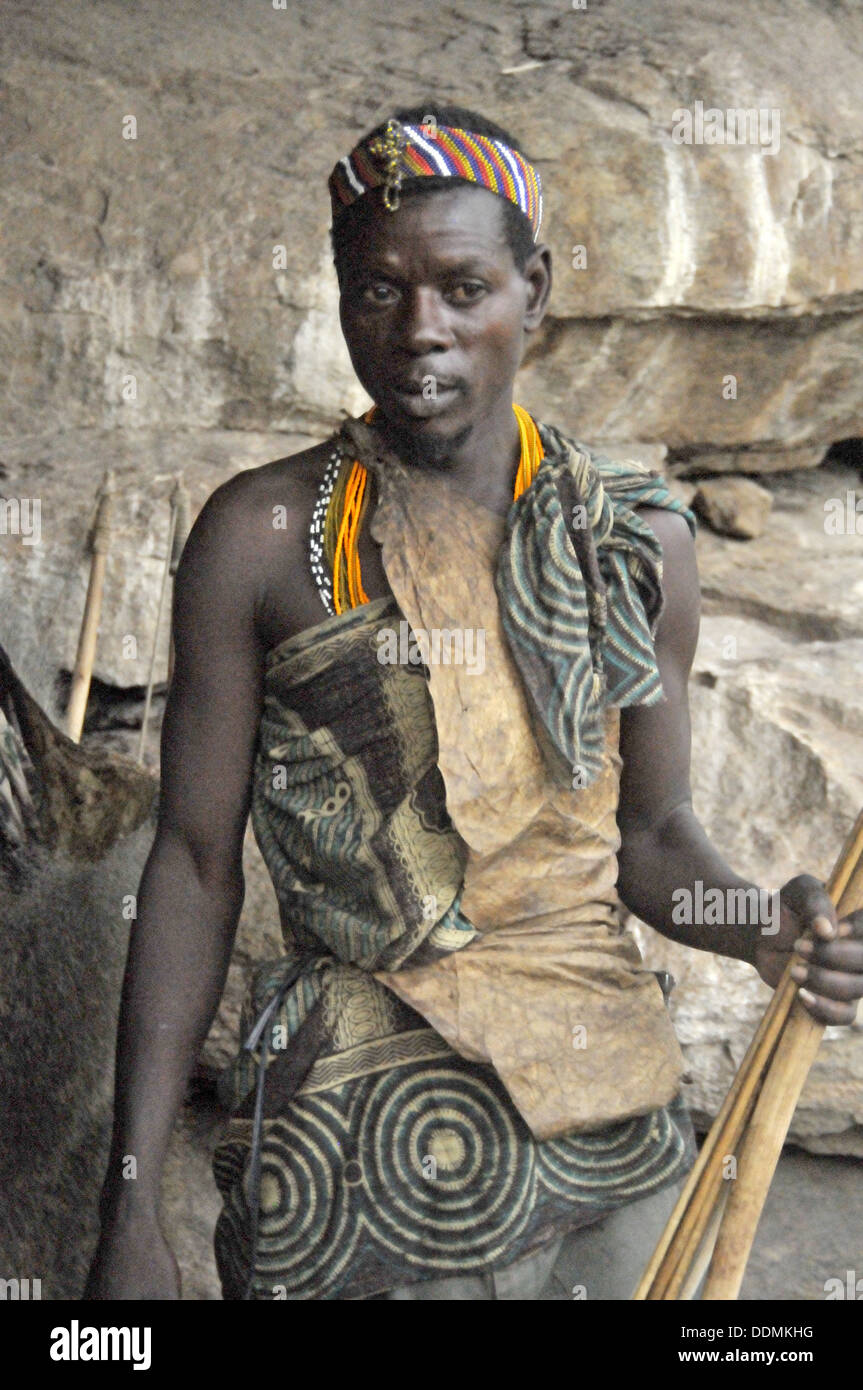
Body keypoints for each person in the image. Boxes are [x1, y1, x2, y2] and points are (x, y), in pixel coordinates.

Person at [86, 103, 863, 1301]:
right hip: (353, 1158)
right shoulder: (259, 540)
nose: (420, 331)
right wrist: (132, 1204)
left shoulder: (632, 539)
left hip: (606, 1127)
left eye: (462, 288)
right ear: (341, 300)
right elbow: (192, 867)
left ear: (531, 290)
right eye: (378, 292)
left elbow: (652, 837)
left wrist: (759, 925)